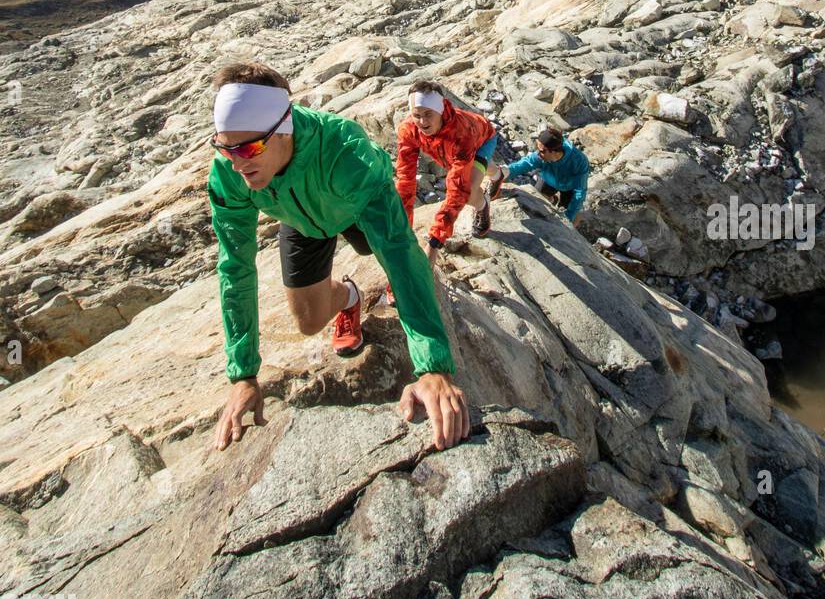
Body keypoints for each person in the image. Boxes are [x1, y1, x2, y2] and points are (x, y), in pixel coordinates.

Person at [206, 62, 469, 453]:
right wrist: (242, 375)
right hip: (301, 221)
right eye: (225, 147)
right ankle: (349, 296)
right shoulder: (229, 172)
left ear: (284, 127)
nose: (237, 162)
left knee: (402, 266)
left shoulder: (346, 154)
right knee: (309, 322)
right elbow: (235, 268)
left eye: (248, 147)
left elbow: (398, 252)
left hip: (355, 206)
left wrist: (433, 366)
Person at [395, 81, 506, 260]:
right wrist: (403, 231)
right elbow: (405, 180)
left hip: (482, 139)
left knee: (468, 190)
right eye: (417, 115)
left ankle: (482, 204)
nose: (422, 122)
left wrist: (434, 243)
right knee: (477, 169)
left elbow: (457, 191)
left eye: (428, 114)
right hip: (449, 149)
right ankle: (498, 174)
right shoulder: (409, 130)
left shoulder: (460, 132)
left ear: (439, 110)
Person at [504, 127, 590, 224]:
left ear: (553, 151)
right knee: (538, 202)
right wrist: (503, 172)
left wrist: (569, 219)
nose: (538, 153)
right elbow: (525, 164)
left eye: (541, 151)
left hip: (569, 188)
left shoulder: (579, 161)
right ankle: (553, 199)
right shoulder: (541, 156)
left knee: (573, 217)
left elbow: (579, 192)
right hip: (548, 180)